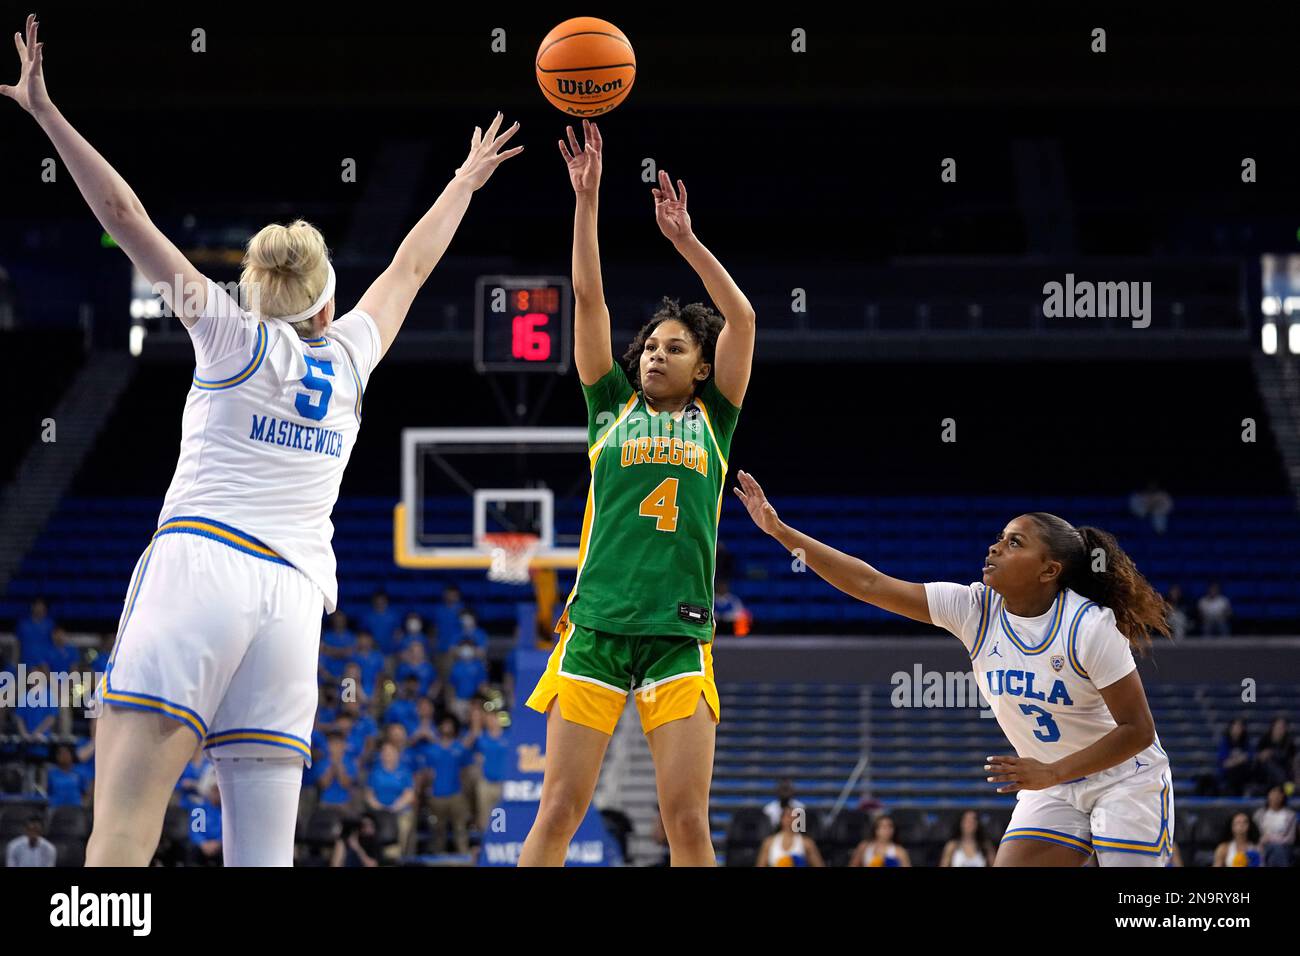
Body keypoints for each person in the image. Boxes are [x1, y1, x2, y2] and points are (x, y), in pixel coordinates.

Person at [1, 14, 525, 867]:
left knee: (124, 834)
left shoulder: (230, 334)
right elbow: (412, 267)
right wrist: (465, 179)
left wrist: (47, 114)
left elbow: (124, 215)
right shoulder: (352, 353)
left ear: (257, 293)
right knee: (263, 858)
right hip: (291, 603)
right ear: (325, 305)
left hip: (203, 569)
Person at [519, 120, 754, 867]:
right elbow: (588, 298)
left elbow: (743, 318)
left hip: (678, 630)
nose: (657, 353)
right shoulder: (608, 407)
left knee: (686, 823)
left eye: (675, 347)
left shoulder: (715, 421)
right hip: (594, 623)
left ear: (702, 369)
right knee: (558, 810)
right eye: (651, 344)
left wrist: (685, 240)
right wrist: (586, 199)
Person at [736, 480, 1175, 867]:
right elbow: (870, 584)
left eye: (1015, 543)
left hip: (1124, 776)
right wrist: (780, 532)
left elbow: (1136, 730)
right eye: (1000, 538)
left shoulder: (1089, 626)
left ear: (1049, 570)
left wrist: (1052, 773)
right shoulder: (974, 609)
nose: (995, 547)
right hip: (1052, 783)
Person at [756, 802, 825, 867]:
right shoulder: (769, 842)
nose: (791, 819)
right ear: (781, 819)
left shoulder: (807, 843)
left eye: (795, 816)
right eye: (788, 816)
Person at [1253, 786, 1296, 867]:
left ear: (1283, 797)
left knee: (1276, 849)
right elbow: (1254, 834)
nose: (1276, 797)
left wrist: (1271, 839)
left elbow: (1291, 839)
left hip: (1283, 847)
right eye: (1273, 793)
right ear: (1268, 795)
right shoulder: (1259, 814)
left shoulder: (1290, 815)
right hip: (1262, 846)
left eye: (1279, 794)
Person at [1217, 718, 1255, 796]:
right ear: (1231, 728)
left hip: (1243, 773)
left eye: (1240, 727)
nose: (1238, 729)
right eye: (1236, 727)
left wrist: (1235, 760)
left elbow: (1250, 756)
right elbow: (1225, 764)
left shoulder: (1246, 742)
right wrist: (1239, 759)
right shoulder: (1225, 742)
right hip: (1229, 774)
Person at [1256, 716, 1296, 791]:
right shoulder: (1265, 738)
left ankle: (1284, 784)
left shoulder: (1289, 742)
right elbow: (1258, 755)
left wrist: (1271, 752)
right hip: (1265, 770)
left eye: (1282, 727)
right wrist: (1262, 755)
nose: (1279, 730)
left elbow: (1287, 757)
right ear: (1273, 727)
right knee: (1267, 762)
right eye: (1277, 727)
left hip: (1283, 768)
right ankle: (1284, 783)